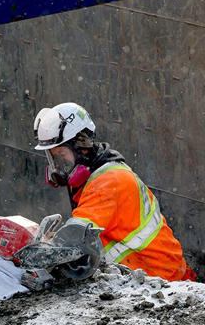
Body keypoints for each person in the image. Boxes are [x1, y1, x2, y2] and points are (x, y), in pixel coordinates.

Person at [33, 102, 196, 282]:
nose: (58, 168)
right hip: (148, 273)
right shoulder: (96, 176)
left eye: (62, 155)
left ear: (82, 147)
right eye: (53, 157)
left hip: (160, 282)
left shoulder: (109, 182)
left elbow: (75, 239)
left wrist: (35, 251)